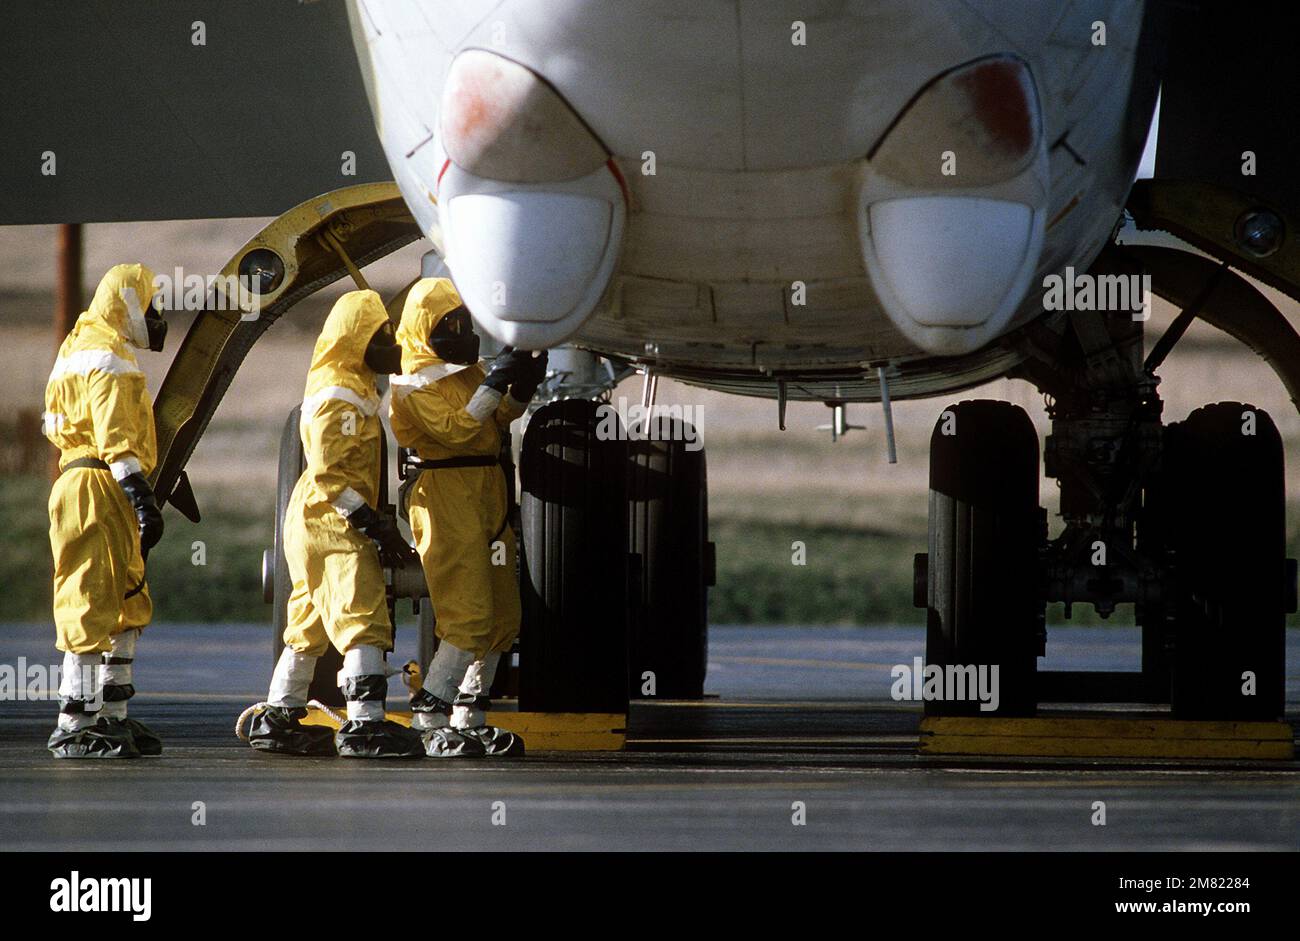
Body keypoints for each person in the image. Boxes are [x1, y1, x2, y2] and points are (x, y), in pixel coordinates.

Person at [247, 289, 423, 758]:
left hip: (315, 518)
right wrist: (369, 521)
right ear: (356, 338)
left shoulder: (350, 387)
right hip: (330, 519)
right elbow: (328, 474)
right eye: (380, 335)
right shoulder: (336, 396)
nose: (391, 342)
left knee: (307, 623)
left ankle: (278, 716)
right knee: (361, 615)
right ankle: (365, 725)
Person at [390, 278, 547, 758]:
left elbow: (496, 420)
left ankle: (469, 715)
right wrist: (496, 379)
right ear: (423, 330)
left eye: (463, 322)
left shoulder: (464, 373)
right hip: (446, 497)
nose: (460, 332)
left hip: (487, 493)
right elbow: (458, 430)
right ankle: (429, 717)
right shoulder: (410, 385)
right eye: (448, 325)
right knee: (467, 613)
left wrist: (520, 387)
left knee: (502, 614)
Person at [44, 264, 169, 758]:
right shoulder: (109, 354)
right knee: (91, 598)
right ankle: (74, 723)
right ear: (129, 304)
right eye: (151, 305)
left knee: (124, 598)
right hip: (99, 483)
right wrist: (139, 492)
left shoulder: (76, 346)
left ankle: (111, 716)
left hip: (88, 483)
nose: (156, 317)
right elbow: (114, 432)